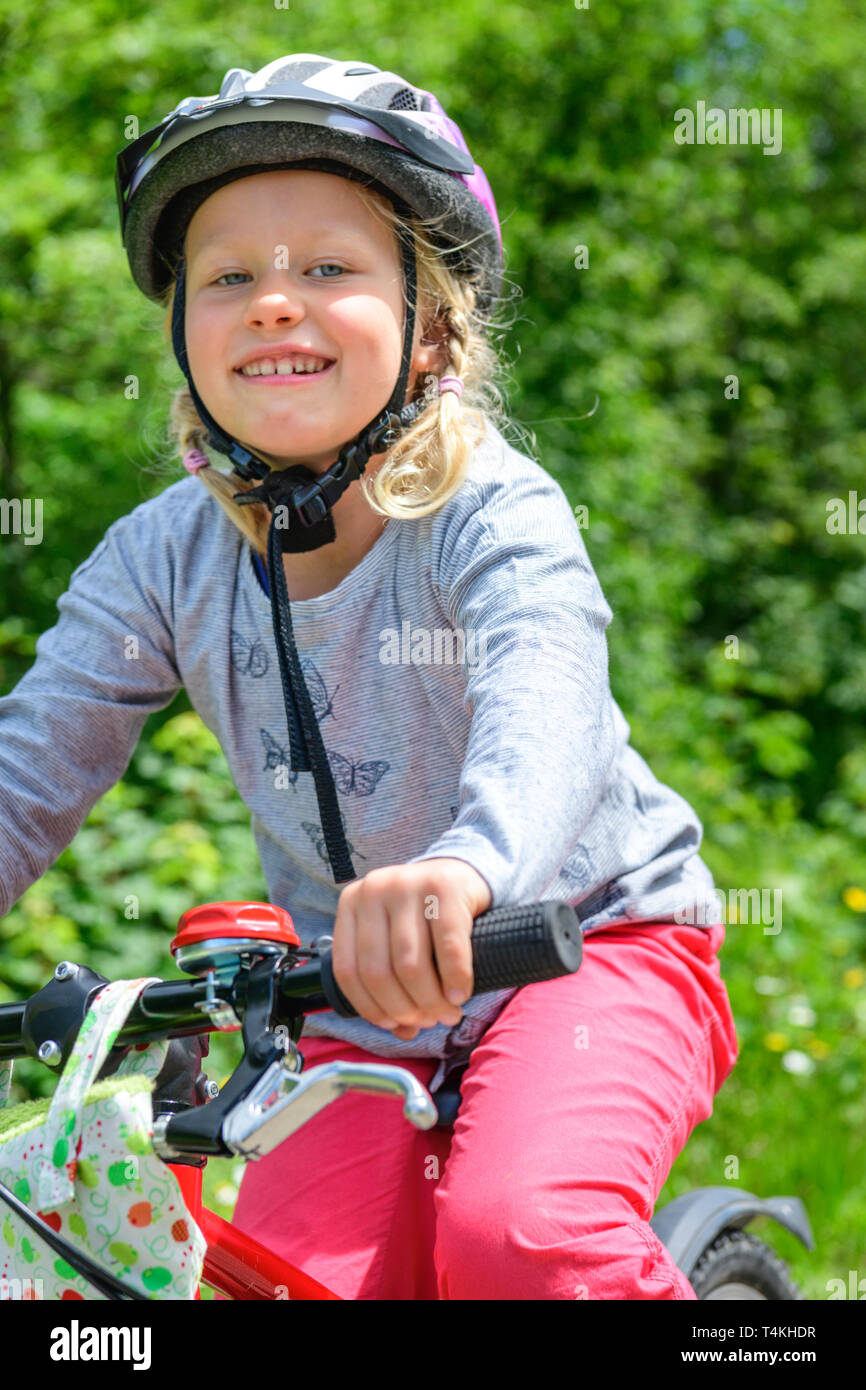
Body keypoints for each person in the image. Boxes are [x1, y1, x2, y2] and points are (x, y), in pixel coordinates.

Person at [0, 53, 738, 1299]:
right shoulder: (161, 559)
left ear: (431, 320)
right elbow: (33, 759)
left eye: (329, 269)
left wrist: (467, 867)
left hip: (587, 942)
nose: (272, 303)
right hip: (347, 1000)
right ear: (181, 331)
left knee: (519, 1236)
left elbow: (545, 696)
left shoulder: (489, 510)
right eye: (227, 277)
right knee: (281, 1281)